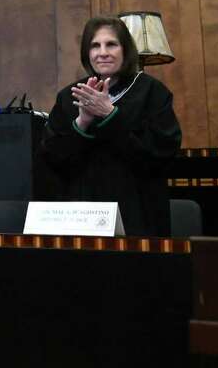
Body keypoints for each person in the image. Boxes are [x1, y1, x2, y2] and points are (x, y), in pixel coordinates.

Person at [40, 16, 182, 237]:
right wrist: (82, 122)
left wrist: (110, 115)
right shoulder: (70, 96)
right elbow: (52, 159)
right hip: (81, 218)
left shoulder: (152, 92)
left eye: (111, 44)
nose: (102, 52)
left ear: (125, 50)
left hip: (137, 215)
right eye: (95, 45)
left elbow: (160, 155)